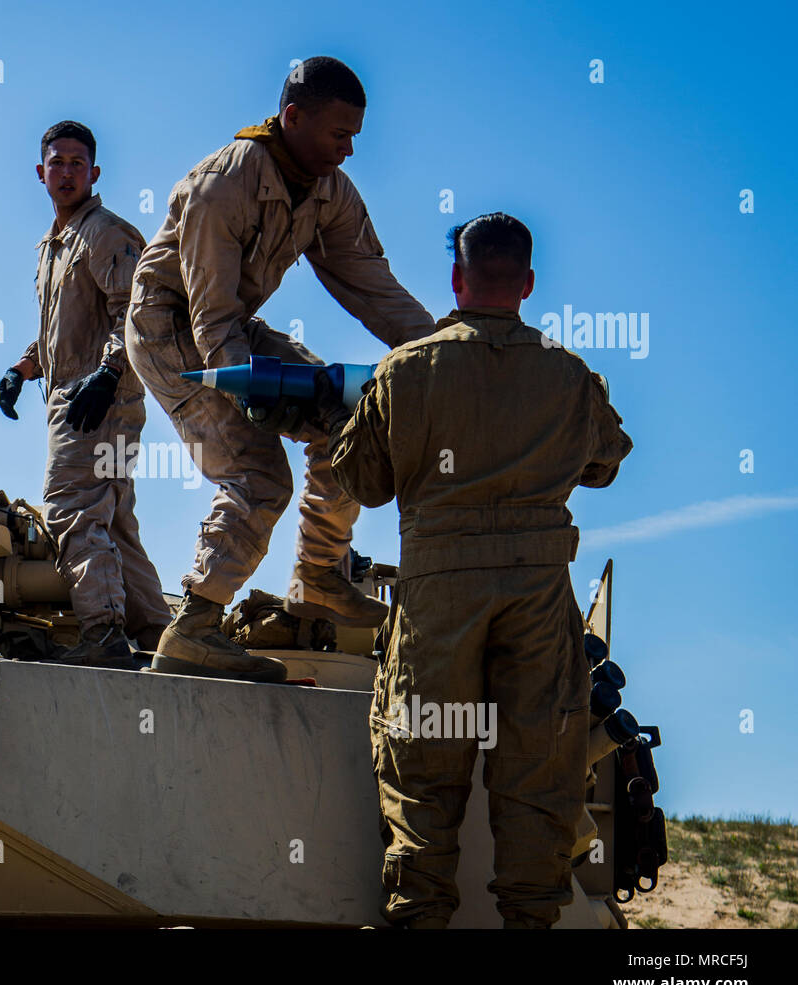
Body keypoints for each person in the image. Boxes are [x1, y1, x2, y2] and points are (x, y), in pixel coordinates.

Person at [313, 212, 634, 928]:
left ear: (456, 280)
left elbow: (362, 480)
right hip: (538, 598)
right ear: (525, 284)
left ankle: (417, 911)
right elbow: (606, 463)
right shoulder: (570, 375)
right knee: (538, 777)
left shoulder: (404, 371)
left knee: (421, 775)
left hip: (438, 601)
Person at [125, 55, 434, 683]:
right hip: (172, 328)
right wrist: (251, 395)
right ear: (292, 117)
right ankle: (195, 628)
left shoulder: (329, 191)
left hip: (231, 324)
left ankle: (318, 576)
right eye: (338, 135)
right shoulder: (224, 185)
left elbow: (372, 286)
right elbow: (210, 321)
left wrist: (440, 349)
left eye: (355, 137)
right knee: (259, 476)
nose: (348, 151)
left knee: (353, 415)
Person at [0, 121, 171, 667]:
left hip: (97, 400)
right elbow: (63, 327)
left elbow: (135, 313)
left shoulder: (105, 233)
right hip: (78, 391)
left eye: (77, 163)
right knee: (113, 521)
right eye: (57, 162)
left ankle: (103, 633)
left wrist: (108, 373)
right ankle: (161, 637)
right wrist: (23, 367)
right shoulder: (53, 244)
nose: (66, 171)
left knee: (71, 508)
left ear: (94, 173)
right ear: (40, 172)